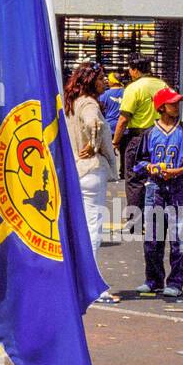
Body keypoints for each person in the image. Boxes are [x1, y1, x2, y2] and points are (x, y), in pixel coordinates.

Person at [131, 88, 183, 299]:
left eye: (178, 103)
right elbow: (138, 163)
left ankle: (175, 281)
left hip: (177, 189)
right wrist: (152, 168)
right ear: (161, 107)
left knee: (178, 237)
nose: (176, 107)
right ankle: (152, 279)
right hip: (155, 189)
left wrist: (177, 171)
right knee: (153, 238)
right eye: (172, 103)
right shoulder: (149, 133)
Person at [63, 62, 118, 302]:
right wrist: (94, 144)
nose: (104, 81)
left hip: (75, 170)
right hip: (92, 170)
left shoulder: (71, 103)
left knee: (80, 227)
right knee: (93, 228)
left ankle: (78, 281)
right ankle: (93, 285)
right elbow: (93, 121)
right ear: (89, 80)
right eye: (100, 78)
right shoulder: (88, 103)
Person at [112, 56, 167, 233]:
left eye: (130, 69)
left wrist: (115, 141)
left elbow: (123, 118)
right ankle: (157, 219)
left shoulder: (133, 88)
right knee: (158, 177)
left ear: (135, 70)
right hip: (160, 137)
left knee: (134, 179)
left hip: (138, 137)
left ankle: (135, 221)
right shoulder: (163, 86)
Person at [99, 72, 125, 140]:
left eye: (109, 80)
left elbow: (100, 110)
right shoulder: (127, 92)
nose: (108, 82)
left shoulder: (104, 94)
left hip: (110, 128)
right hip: (124, 129)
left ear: (112, 81)